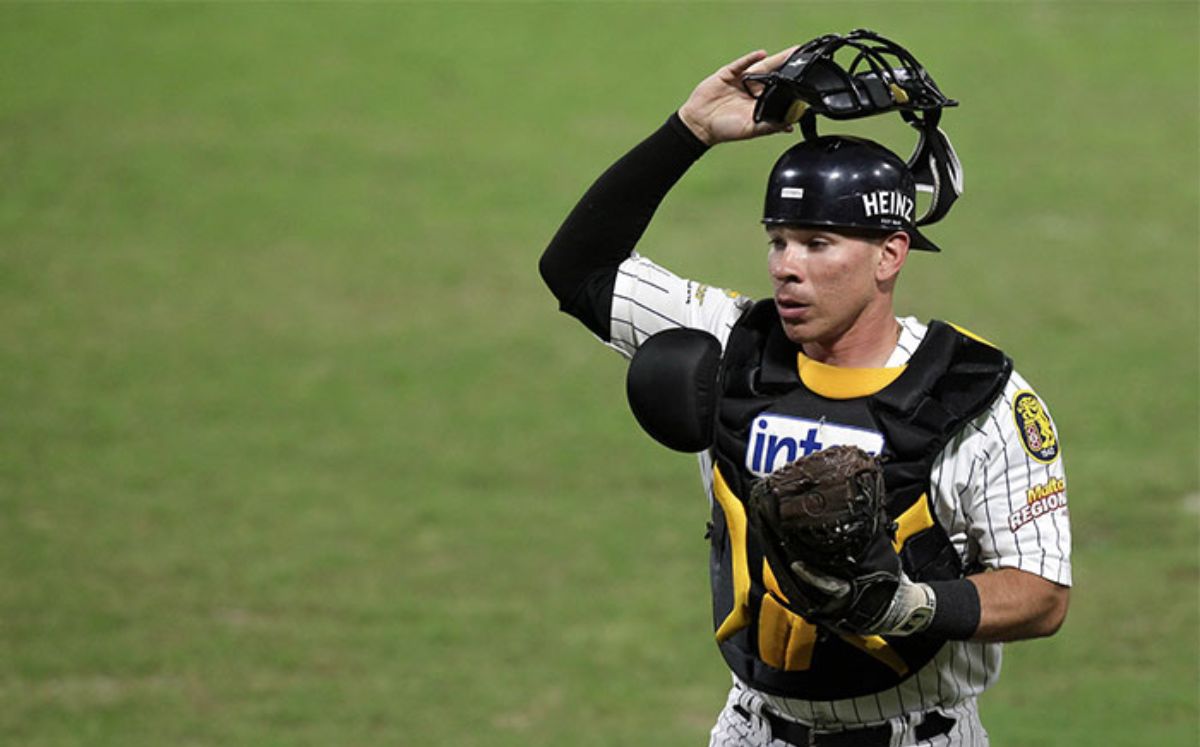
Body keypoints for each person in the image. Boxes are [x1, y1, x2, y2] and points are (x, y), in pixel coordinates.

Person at [538, 47, 1071, 747]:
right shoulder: (731, 340)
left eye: (819, 243)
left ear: (890, 253)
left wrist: (912, 604)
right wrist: (690, 130)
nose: (787, 267)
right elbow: (577, 268)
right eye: (779, 240)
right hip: (752, 729)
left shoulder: (973, 393)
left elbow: (1042, 592)